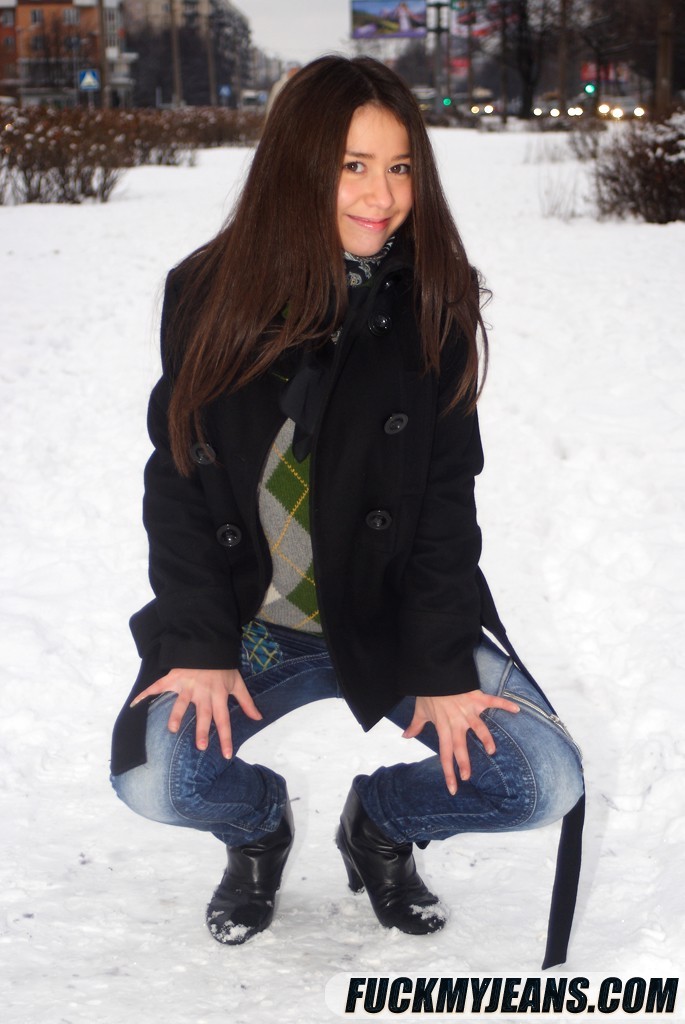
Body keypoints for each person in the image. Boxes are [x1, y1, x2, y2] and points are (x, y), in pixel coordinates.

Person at [110, 55, 584, 966]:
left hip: (390, 616)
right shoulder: (206, 293)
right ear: (297, 164)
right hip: (255, 626)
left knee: (541, 780)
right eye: (352, 165)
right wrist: (199, 643)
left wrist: (443, 663)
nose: (381, 195)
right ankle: (258, 828)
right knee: (156, 780)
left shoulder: (430, 306)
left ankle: (379, 821)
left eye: (400, 166)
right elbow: (176, 476)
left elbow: (446, 504)